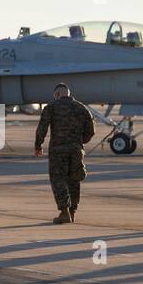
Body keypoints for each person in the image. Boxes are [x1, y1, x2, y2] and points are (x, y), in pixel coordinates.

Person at [34, 82, 96, 223]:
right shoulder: (82, 108)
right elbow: (91, 130)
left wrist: (38, 145)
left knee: (58, 179)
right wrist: (80, 142)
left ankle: (64, 211)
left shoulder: (51, 107)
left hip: (58, 150)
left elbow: (42, 128)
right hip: (76, 150)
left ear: (56, 94)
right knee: (74, 179)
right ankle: (72, 211)